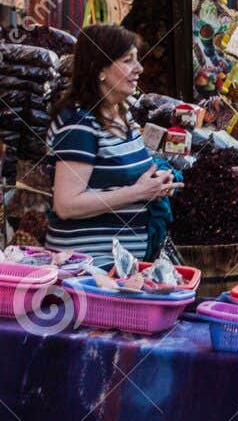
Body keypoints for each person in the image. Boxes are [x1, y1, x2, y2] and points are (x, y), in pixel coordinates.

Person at [46, 25, 175, 262]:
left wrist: (156, 184)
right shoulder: (79, 126)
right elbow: (65, 205)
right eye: (128, 61)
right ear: (99, 70)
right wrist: (138, 191)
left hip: (122, 269)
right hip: (89, 270)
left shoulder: (123, 117)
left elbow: (119, 181)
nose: (139, 69)